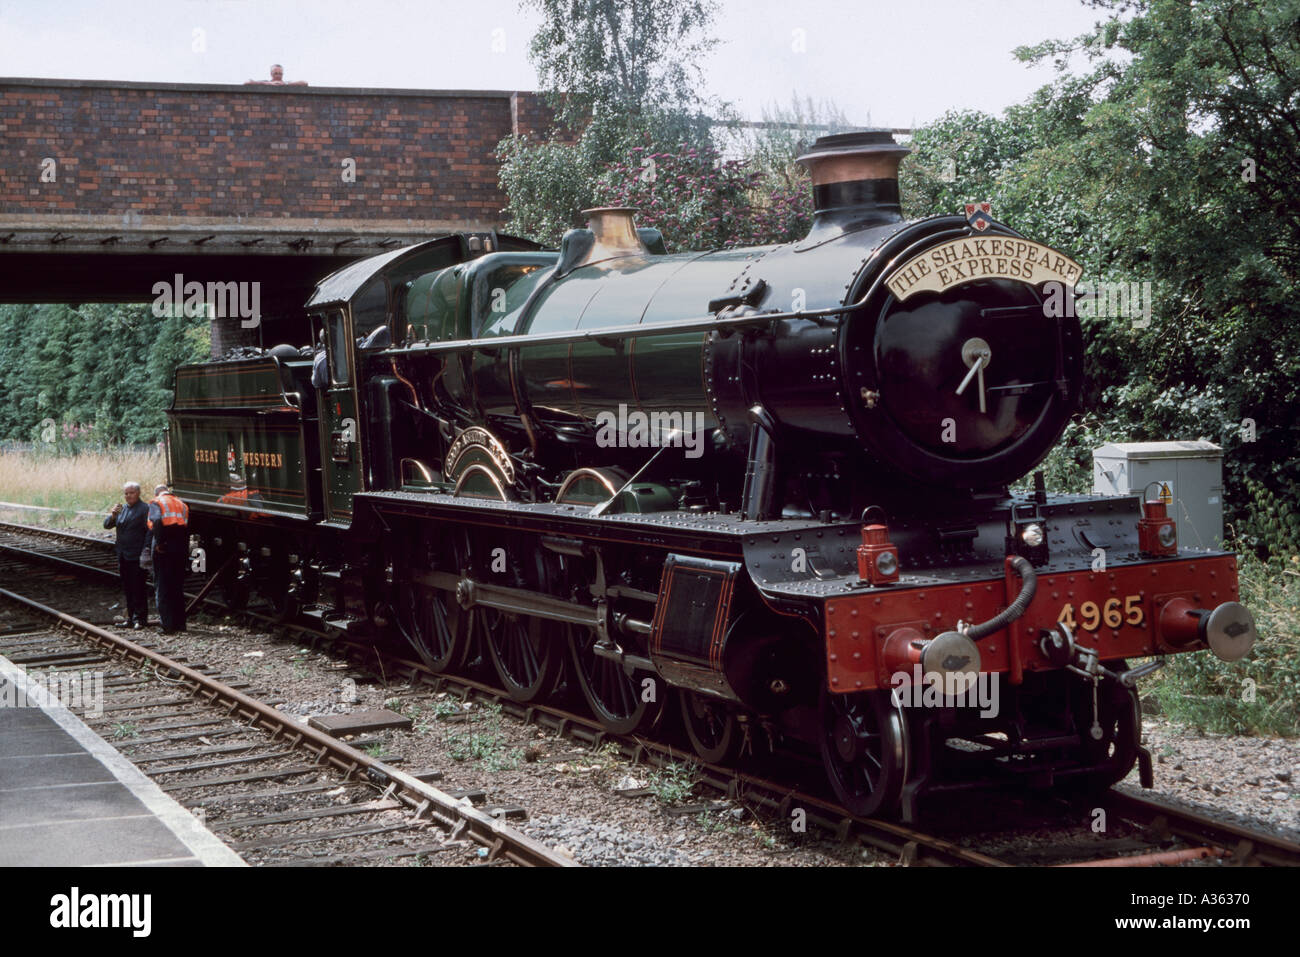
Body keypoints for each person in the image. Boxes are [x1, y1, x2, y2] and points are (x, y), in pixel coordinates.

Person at [142, 483, 190, 635]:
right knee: (177, 586)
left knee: (162, 586)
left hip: (164, 547)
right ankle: (180, 624)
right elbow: (186, 527)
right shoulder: (182, 504)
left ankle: (167, 625)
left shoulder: (156, 502)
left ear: (157, 493)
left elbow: (156, 521)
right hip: (180, 547)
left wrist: (160, 542)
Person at [104, 481, 149, 629]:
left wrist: (145, 551)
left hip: (136, 555)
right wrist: (112, 515)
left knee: (138, 588)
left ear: (138, 493)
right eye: (126, 493)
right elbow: (106, 525)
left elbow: (149, 532)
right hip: (123, 555)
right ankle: (130, 617)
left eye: (131, 493)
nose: (128, 496)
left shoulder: (144, 509)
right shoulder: (122, 510)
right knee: (128, 588)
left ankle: (140, 619)